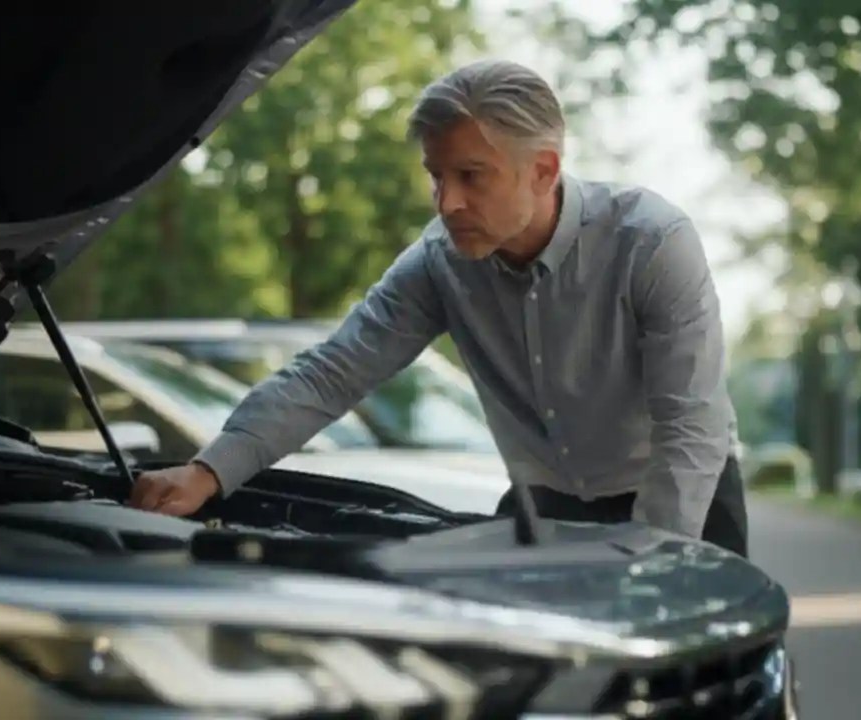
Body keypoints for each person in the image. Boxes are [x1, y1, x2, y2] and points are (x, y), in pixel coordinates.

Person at [130, 59, 749, 557]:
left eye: (471, 176)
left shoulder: (651, 243)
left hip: (684, 496)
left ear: (543, 170)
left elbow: (689, 429)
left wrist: (653, 565)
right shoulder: (439, 261)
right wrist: (207, 472)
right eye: (437, 176)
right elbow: (333, 372)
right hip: (546, 506)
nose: (446, 203)